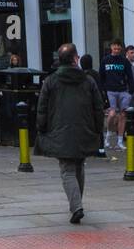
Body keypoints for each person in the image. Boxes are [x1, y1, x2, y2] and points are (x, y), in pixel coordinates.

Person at [36, 43, 104, 224]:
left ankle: (76, 206)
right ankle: (77, 203)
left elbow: (42, 107)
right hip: (84, 129)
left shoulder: (51, 81)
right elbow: (98, 107)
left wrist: (41, 128)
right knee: (79, 165)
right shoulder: (88, 81)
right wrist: (98, 129)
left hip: (60, 130)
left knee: (67, 169)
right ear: (75, 59)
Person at [99, 39, 133, 152]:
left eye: (119, 48)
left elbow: (130, 76)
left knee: (123, 115)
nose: (117, 50)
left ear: (121, 49)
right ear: (111, 47)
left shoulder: (125, 61)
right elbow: (101, 76)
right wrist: (103, 91)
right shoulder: (105, 60)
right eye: (115, 48)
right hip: (110, 90)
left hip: (123, 90)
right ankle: (108, 136)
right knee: (112, 114)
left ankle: (119, 141)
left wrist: (130, 91)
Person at [80, 53, 108, 157]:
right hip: (97, 104)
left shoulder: (82, 76)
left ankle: (89, 148)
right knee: (98, 127)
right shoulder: (96, 74)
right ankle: (100, 149)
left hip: (86, 105)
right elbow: (101, 88)